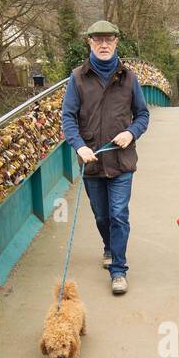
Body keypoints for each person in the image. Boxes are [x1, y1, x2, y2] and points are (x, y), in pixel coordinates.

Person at [60, 19, 150, 295]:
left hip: (122, 161)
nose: (103, 44)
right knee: (101, 216)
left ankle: (119, 270)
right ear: (89, 43)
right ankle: (109, 247)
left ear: (116, 42)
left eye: (108, 40)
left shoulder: (129, 77)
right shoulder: (77, 78)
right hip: (92, 162)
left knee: (119, 214)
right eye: (98, 40)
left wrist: (131, 133)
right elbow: (68, 118)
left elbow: (143, 115)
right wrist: (79, 146)